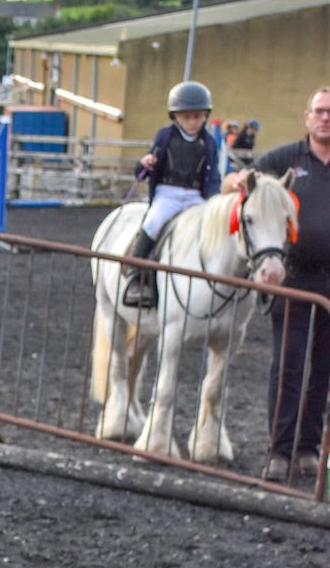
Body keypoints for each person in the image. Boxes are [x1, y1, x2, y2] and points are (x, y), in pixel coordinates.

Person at [223, 88, 330, 482]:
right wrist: (235, 181)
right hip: (295, 278)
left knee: (322, 370)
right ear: (307, 117)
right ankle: (279, 452)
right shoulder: (285, 158)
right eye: (319, 111)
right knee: (288, 365)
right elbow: (240, 183)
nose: (325, 119)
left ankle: (308, 450)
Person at [123, 80, 221, 308]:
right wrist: (144, 163)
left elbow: (213, 174)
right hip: (168, 193)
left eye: (198, 116)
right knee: (153, 223)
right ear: (175, 116)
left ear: (205, 116)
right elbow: (146, 168)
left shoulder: (208, 142)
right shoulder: (165, 136)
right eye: (187, 117)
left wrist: (214, 199)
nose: (193, 122)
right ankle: (136, 276)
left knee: (210, 226)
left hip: (195, 195)